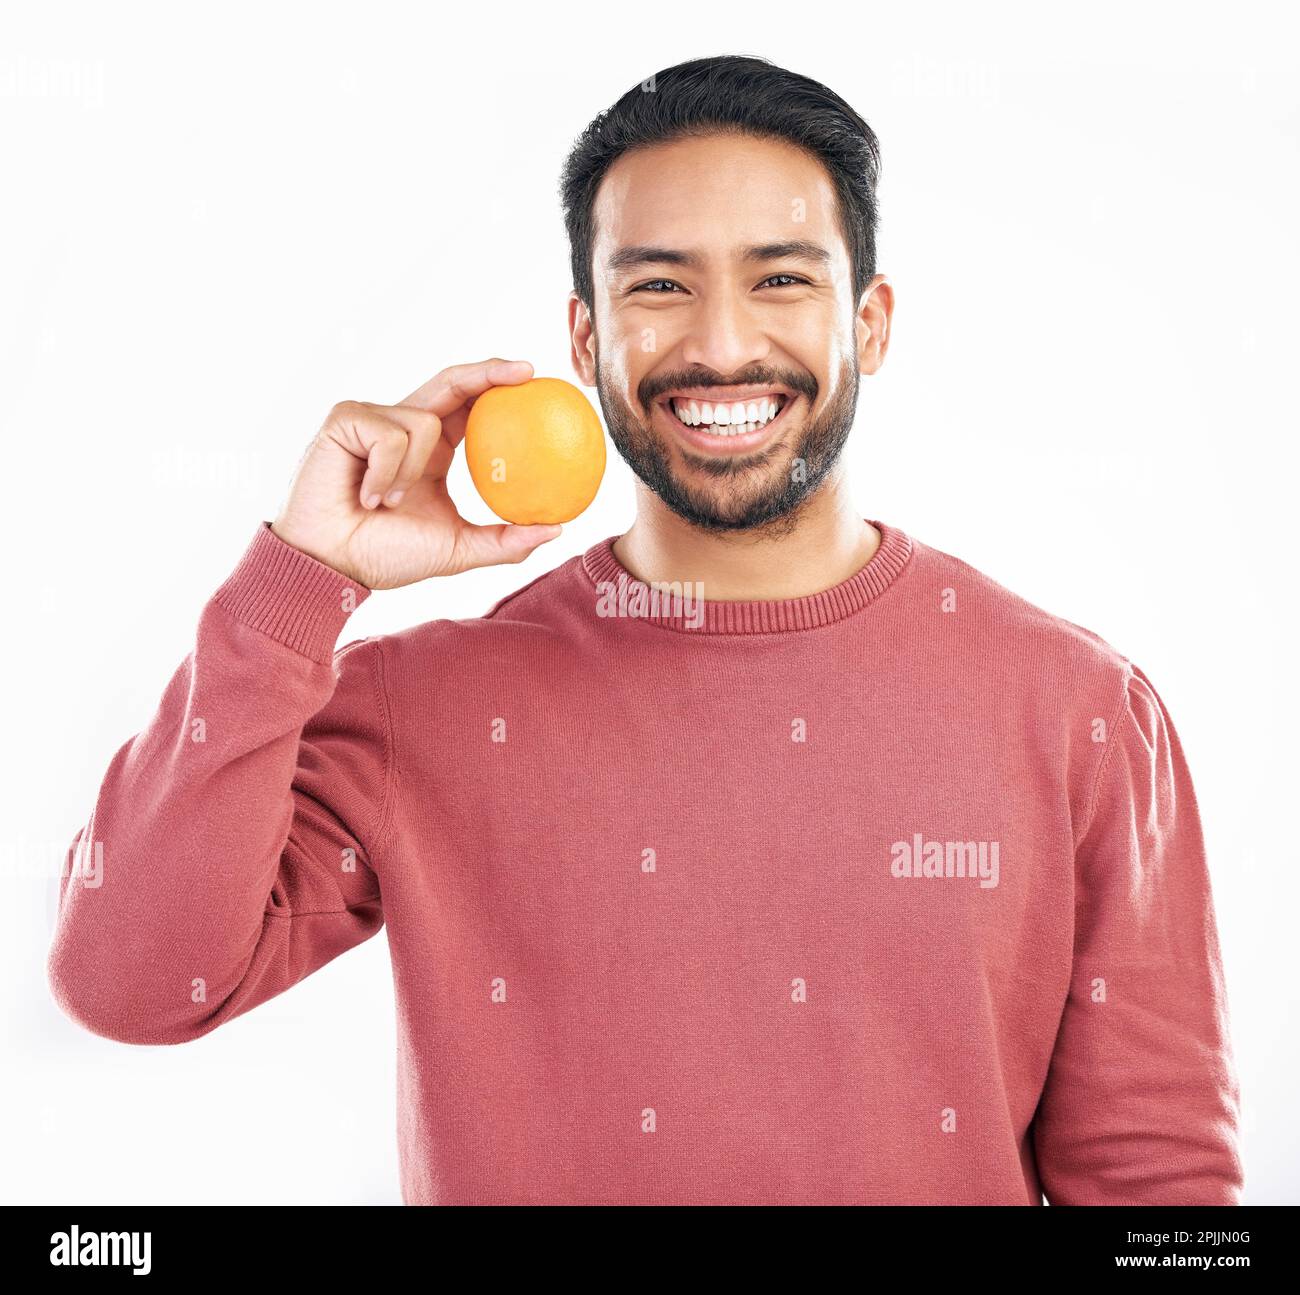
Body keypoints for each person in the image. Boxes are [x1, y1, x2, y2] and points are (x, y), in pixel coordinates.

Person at [47, 54, 1244, 1206]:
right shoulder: (436, 701)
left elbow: (1158, 1190)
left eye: (781, 277)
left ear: (870, 322)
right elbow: (131, 981)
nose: (722, 344)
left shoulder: (1077, 709)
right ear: (584, 339)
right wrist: (301, 577)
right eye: (659, 284)